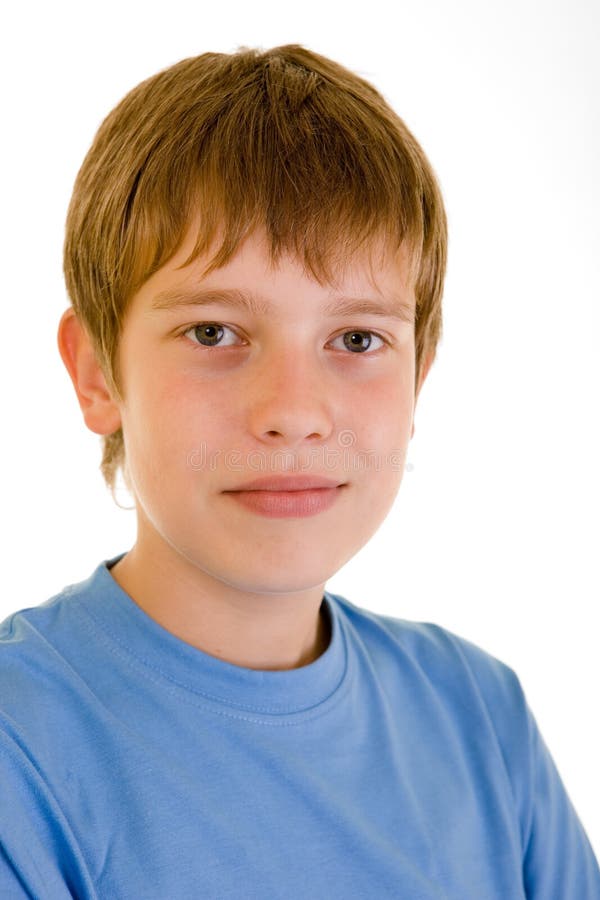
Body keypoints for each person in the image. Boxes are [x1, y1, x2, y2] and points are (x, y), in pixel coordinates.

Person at [1, 44, 598, 900]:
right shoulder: (22, 760)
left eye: (356, 340)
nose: (294, 409)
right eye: (214, 333)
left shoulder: (480, 719)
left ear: (418, 374)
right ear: (97, 374)